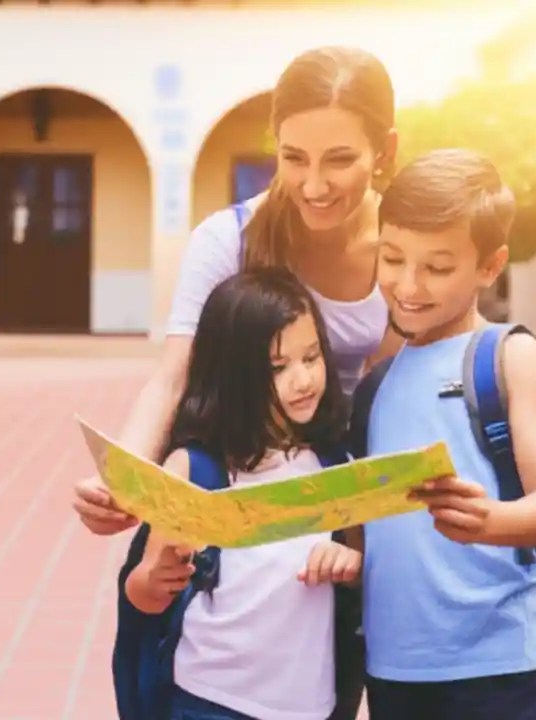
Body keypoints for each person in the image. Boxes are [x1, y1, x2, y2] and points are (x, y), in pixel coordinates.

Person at [72, 44, 399, 543]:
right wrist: (121, 481)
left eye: (339, 160)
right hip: (249, 495)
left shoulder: (405, 246)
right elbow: (173, 378)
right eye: (294, 158)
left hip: (363, 499)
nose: (314, 186)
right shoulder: (229, 240)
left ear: (385, 152)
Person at [359, 148, 536, 720]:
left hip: (497, 664)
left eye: (437, 267)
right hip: (394, 666)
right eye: (392, 258)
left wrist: (491, 521)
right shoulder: (378, 379)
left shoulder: (508, 355)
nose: (408, 284)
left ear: (489, 266)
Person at [125, 267, 362, 720]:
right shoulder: (194, 470)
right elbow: (144, 594)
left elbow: (364, 571)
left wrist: (348, 565)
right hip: (209, 700)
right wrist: (156, 579)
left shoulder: (337, 465)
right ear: (232, 375)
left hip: (308, 706)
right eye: (278, 367)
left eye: (311, 357)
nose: (303, 379)